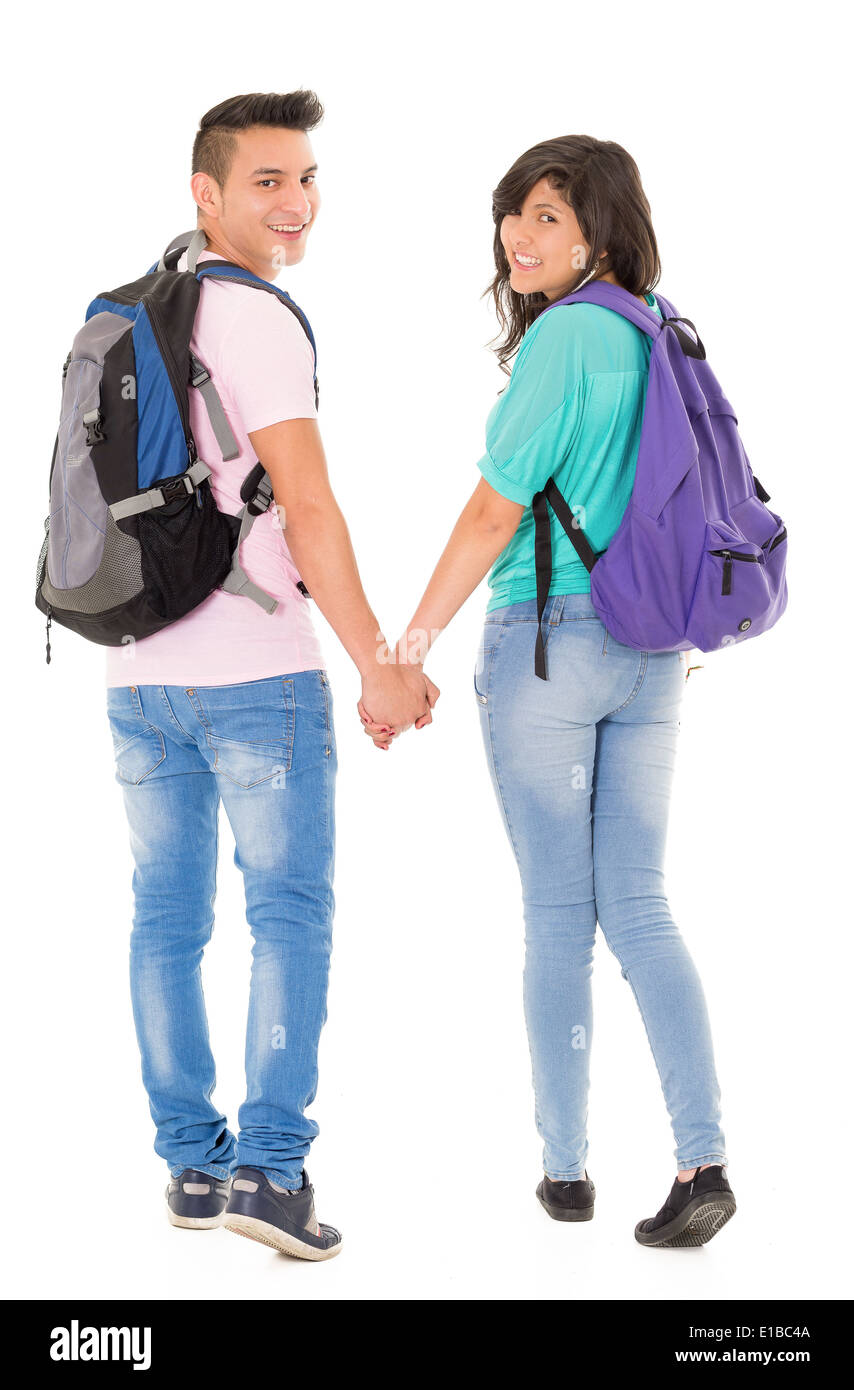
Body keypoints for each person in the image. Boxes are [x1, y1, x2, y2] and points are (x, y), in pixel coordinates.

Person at [360, 135, 736, 1248]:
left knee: (555, 916)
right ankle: (700, 1158)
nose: (517, 238)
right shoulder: (656, 328)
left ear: (598, 231)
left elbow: (490, 513)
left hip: (548, 647)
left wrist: (405, 650)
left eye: (543, 217)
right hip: (650, 651)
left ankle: (565, 1169)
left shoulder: (565, 339)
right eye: (510, 215)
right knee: (642, 904)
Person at [105, 90, 438, 1261]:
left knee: (164, 919)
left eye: (305, 178)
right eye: (266, 181)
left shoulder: (128, 311)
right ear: (205, 192)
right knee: (286, 914)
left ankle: (191, 1174)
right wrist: (381, 662)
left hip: (137, 672)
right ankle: (270, 1174)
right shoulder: (255, 318)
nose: (294, 202)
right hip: (257, 673)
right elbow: (305, 505)